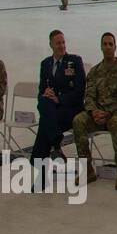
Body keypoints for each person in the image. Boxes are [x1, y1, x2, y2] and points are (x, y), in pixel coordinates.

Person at [73, 32, 117, 188]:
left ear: (115, 47)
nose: (107, 47)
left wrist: (108, 112)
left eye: (110, 44)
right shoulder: (95, 72)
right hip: (97, 115)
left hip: (115, 115)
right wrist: (93, 112)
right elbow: (89, 96)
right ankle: (88, 170)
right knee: (78, 121)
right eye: (104, 44)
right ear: (101, 47)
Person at [33, 29, 87, 183]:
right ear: (51, 44)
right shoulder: (46, 64)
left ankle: (41, 173)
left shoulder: (75, 61)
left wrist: (59, 99)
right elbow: (41, 90)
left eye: (63, 42)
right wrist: (46, 94)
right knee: (43, 102)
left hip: (70, 109)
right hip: (53, 110)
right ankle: (56, 142)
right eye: (58, 43)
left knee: (45, 123)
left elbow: (80, 91)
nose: (62, 46)